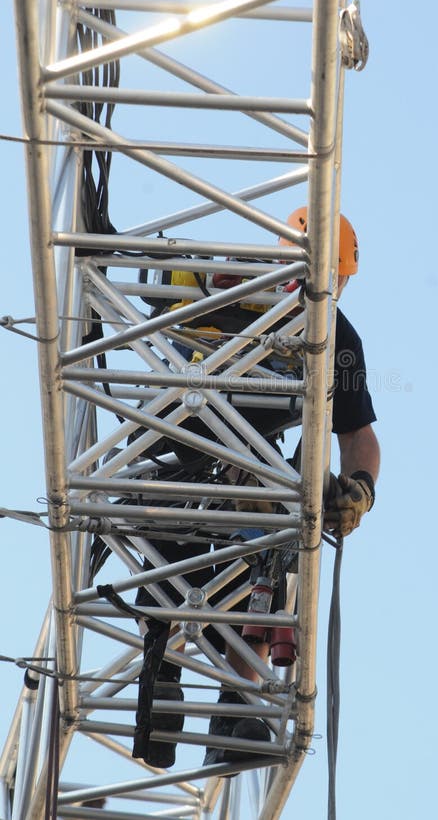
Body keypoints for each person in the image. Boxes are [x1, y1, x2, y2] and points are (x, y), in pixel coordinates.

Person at [132, 207, 380, 771]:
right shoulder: (230, 282)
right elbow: (162, 312)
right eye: (329, 276)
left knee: (275, 551)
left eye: (339, 280)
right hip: (182, 440)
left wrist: (360, 489)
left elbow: (358, 436)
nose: (332, 290)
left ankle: (239, 702)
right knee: (166, 544)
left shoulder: (338, 337)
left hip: (255, 464)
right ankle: (161, 680)